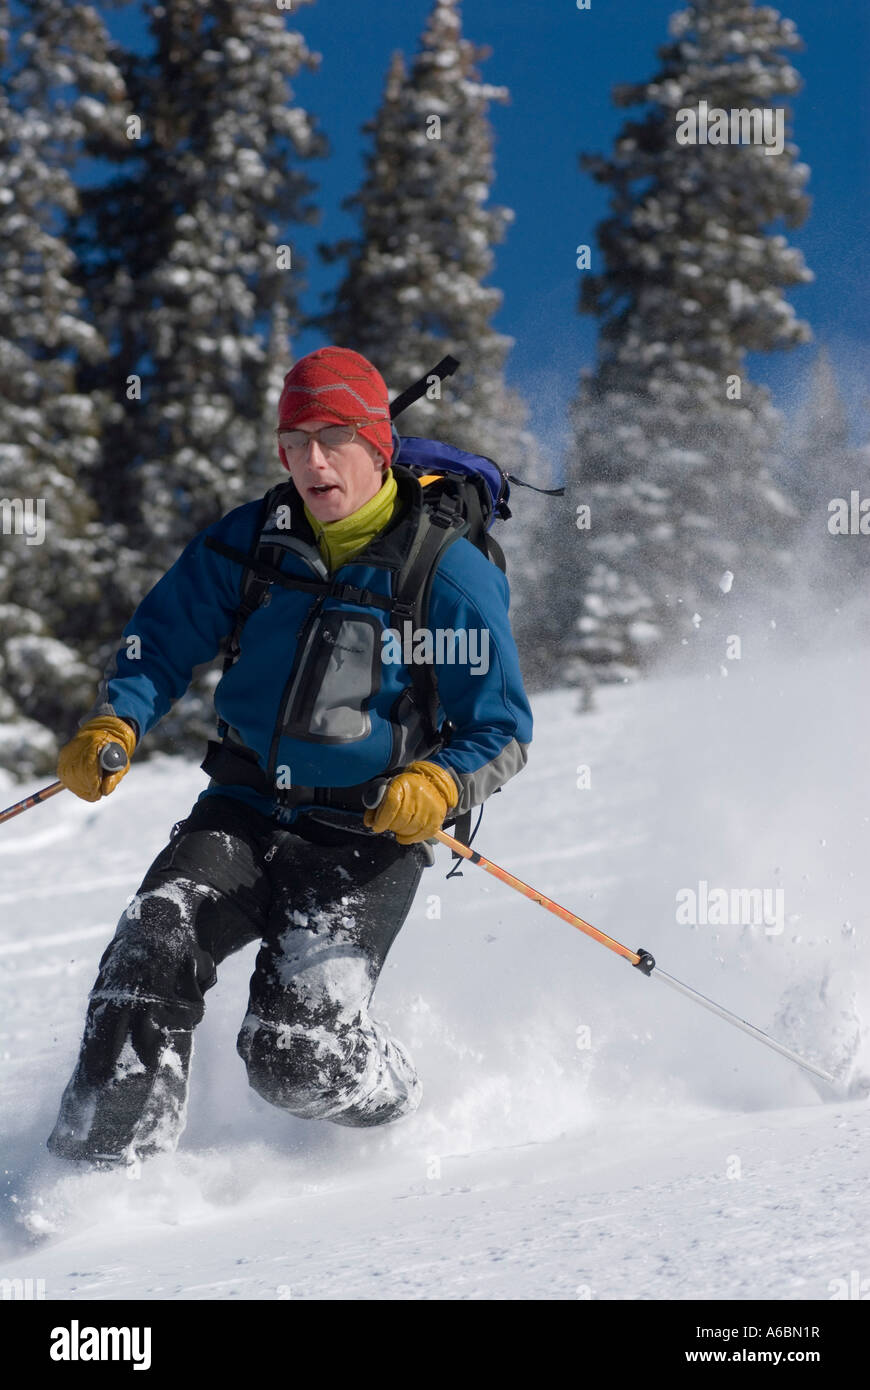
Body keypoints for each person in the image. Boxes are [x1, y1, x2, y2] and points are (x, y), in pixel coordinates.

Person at [47, 346, 533, 1167]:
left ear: (378, 441)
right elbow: (158, 642)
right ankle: (94, 1182)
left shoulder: (441, 572)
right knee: (150, 946)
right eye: (294, 439)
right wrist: (115, 722)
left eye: (333, 435)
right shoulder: (254, 542)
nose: (311, 460)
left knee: (293, 1057)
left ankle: (406, 1103)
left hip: (364, 834)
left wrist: (434, 783)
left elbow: (502, 728)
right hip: (242, 808)